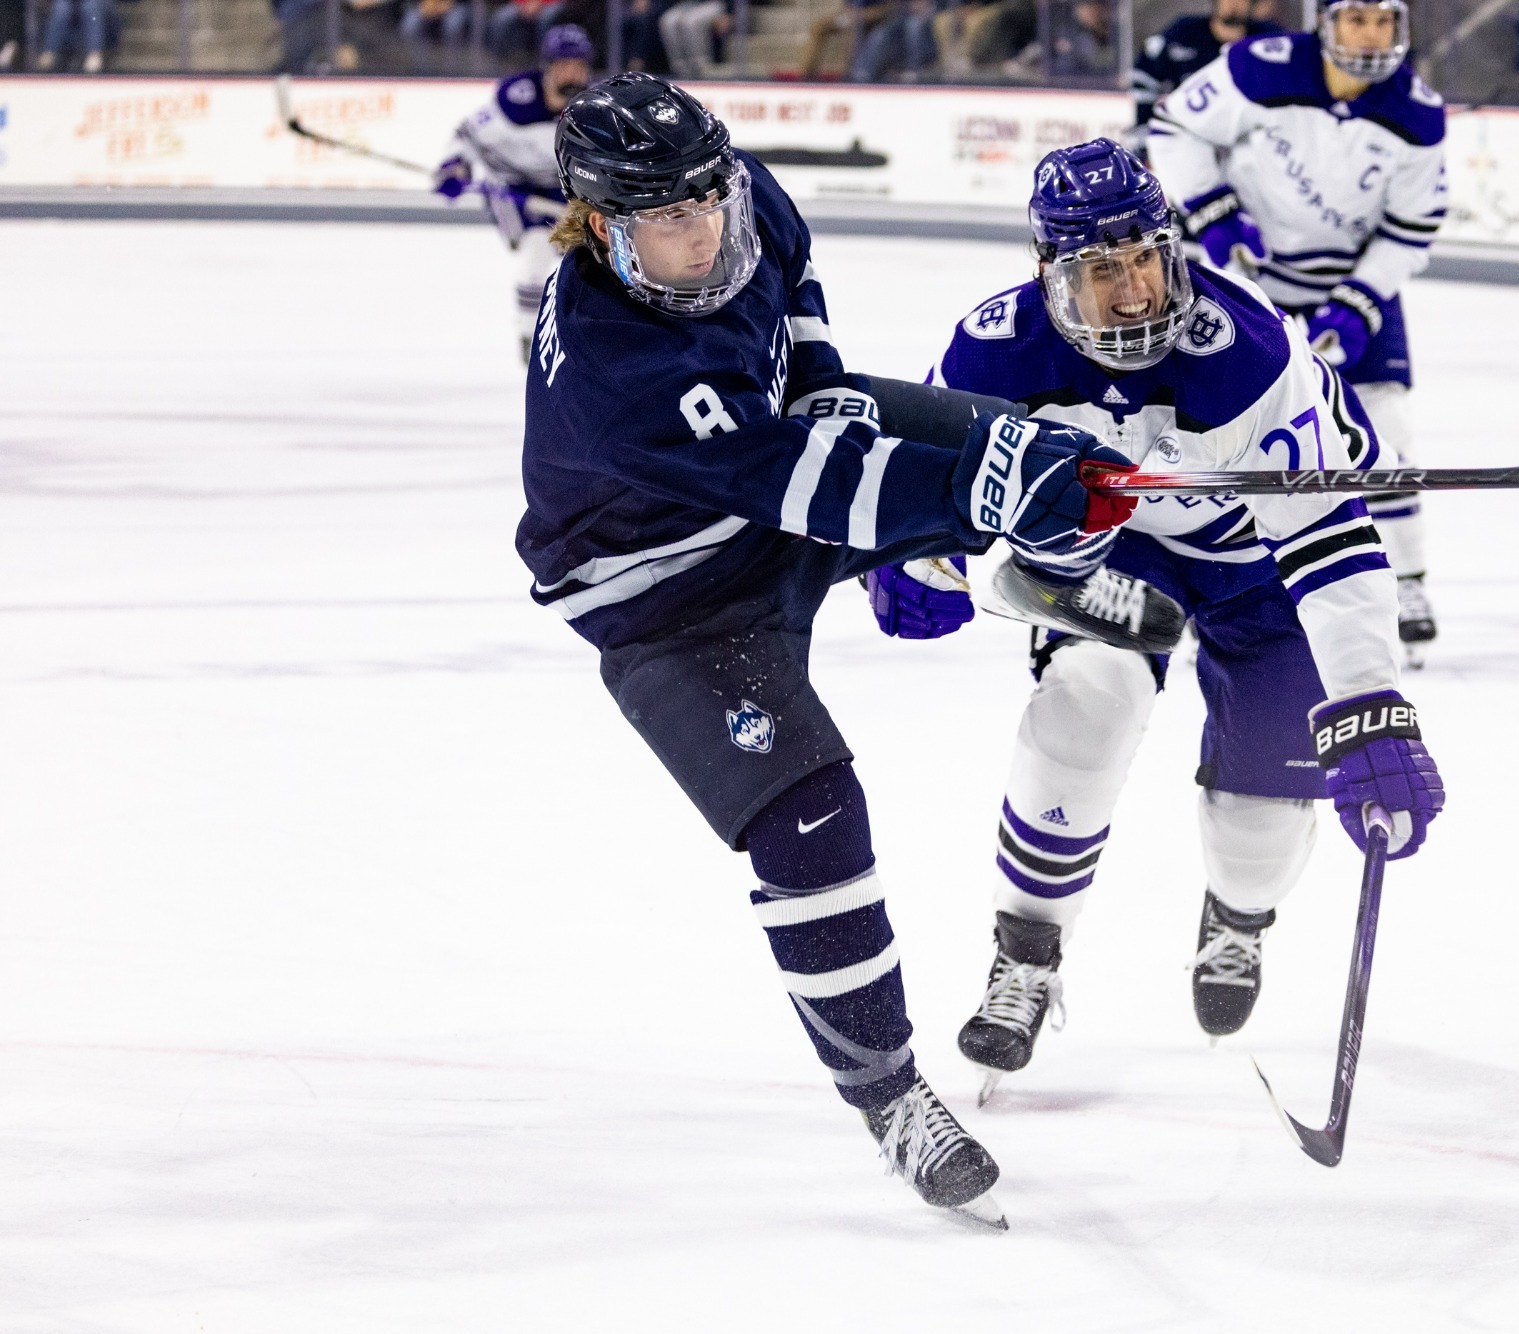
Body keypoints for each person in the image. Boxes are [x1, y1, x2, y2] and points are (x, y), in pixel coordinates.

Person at [517, 74, 1141, 1222]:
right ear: (603, 229)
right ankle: (888, 1092)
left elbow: (793, 289)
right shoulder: (620, 371)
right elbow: (804, 484)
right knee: (811, 822)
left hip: (768, 481)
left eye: (706, 201)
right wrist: (958, 499)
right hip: (669, 600)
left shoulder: (735, 191)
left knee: (1019, 449)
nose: (701, 232)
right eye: (664, 222)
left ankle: (985, 563)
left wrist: (819, 389)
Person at [918, 139, 1445, 1097]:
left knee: (1261, 830)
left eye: (1147, 259)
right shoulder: (992, 350)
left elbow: (1330, 536)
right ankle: (1028, 955)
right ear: (1048, 276)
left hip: (1258, 564)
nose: (1133, 295)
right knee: (1086, 705)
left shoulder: (1250, 354)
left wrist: (1371, 706)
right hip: (1110, 553)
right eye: (1100, 271)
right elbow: (943, 490)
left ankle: (1238, 918)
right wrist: (927, 563)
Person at [1149, 0, 1449, 661]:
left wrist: (1359, 300)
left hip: (1348, 285)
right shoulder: (1262, 68)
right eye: (1356, 19)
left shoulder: (1419, 113)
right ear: (1326, 22)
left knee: (1384, 437)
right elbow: (1174, 127)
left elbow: (1410, 231)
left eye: (1383, 21)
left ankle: (1409, 581)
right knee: (1218, 431)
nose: (1370, 36)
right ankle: (1224, 575)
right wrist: (1214, 216)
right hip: (1248, 276)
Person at [433, 25, 596, 362]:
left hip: (558, 188)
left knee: (584, 257)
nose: (572, 73)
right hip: (509, 187)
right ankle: (529, 335)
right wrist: (455, 166)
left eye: (579, 65)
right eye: (564, 65)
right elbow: (467, 134)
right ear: (547, 67)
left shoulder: (591, 106)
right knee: (536, 246)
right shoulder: (514, 99)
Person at [1131, 0, 1283, 128]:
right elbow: (1144, 72)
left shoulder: (1267, 38)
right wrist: (1144, 125)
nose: (1234, 3)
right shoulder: (1184, 32)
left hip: (1247, 138)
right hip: (1189, 136)